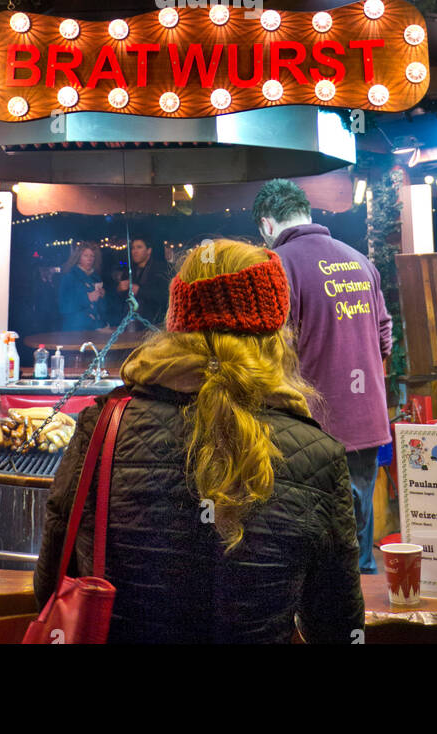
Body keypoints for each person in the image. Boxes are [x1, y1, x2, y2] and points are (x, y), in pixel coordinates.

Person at [33, 239, 365, 643]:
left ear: (178, 320)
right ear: (276, 331)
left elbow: (50, 583)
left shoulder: (101, 429)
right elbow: (337, 625)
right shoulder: (318, 454)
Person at [252, 179, 393, 574]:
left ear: (266, 224)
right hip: (366, 416)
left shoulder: (276, 265)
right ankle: (364, 618)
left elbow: (272, 350)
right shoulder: (359, 259)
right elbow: (385, 336)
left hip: (309, 424)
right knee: (357, 531)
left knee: (316, 537)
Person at [122, 233, 171, 326]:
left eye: (139, 247)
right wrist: (120, 289)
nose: (135, 251)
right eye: (133, 248)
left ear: (149, 250)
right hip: (132, 324)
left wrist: (139, 291)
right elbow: (122, 300)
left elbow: (165, 296)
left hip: (155, 325)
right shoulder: (129, 270)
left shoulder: (160, 269)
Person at [57, 242, 105, 333]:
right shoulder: (69, 277)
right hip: (75, 330)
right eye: (85, 255)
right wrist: (87, 298)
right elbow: (63, 307)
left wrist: (103, 296)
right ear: (78, 258)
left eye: (92, 256)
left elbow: (102, 310)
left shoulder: (95, 277)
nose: (89, 259)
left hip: (95, 328)